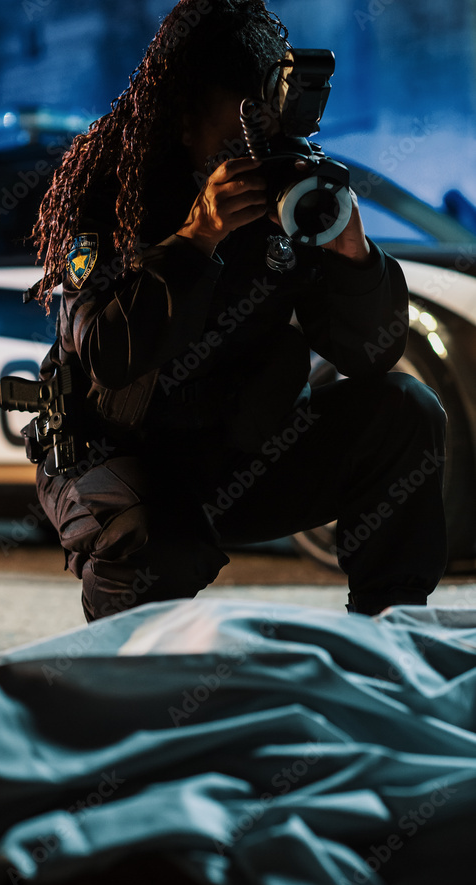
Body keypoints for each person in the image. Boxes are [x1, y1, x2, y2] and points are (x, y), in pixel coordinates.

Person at [29, 0, 447, 623]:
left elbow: (372, 352)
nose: (251, 153)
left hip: (237, 451)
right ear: (181, 116)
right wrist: (198, 239)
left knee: (405, 410)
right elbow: (111, 357)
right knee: (157, 544)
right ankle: (123, 672)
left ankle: (388, 640)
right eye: (234, 137)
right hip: (116, 459)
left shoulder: (284, 186)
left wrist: (354, 257)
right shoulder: (112, 193)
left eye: (266, 132)